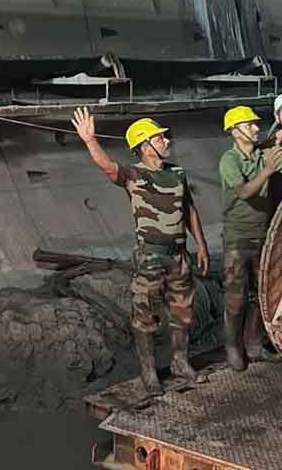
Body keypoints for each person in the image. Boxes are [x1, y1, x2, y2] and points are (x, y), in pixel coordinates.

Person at [72, 107, 209, 395]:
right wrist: (90, 141)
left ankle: (180, 363)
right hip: (150, 256)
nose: (167, 142)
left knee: (182, 312)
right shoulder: (133, 175)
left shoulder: (178, 174)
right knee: (145, 315)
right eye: (160, 139)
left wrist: (201, 245)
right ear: (145, 147)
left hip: (179, 255)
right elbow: (108, 167)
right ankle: (148, 371)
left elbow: (189, 210)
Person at [218, 105, 282, 370]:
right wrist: (268, 170)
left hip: (264, 235)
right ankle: (233, 346)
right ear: (235, 132)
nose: (256, 128)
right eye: (249, 125)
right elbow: (245, 192)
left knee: (261, 293)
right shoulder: (230, 160)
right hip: (237, 237)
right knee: (235, 295)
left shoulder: (263, 154)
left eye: (256, 124)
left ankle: (254, 344)